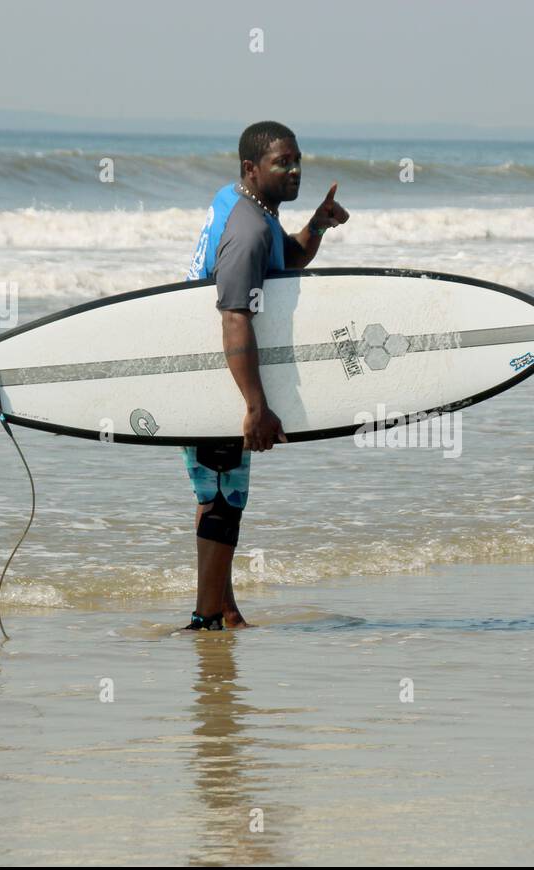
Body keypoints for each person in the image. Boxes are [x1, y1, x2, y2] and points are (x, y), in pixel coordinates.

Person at [179, 121, 349, 631]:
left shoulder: (248, 205)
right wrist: (255, 405)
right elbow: (235, 314)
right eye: (283, 163)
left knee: (218, 492)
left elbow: (286, 259)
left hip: (212, 373)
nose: (295, 171)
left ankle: (222, 611)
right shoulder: (249, 229)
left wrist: (316, 226)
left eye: (298, 160)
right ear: (252, 168)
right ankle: (205, 618)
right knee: (224, 498)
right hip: (214, 375)